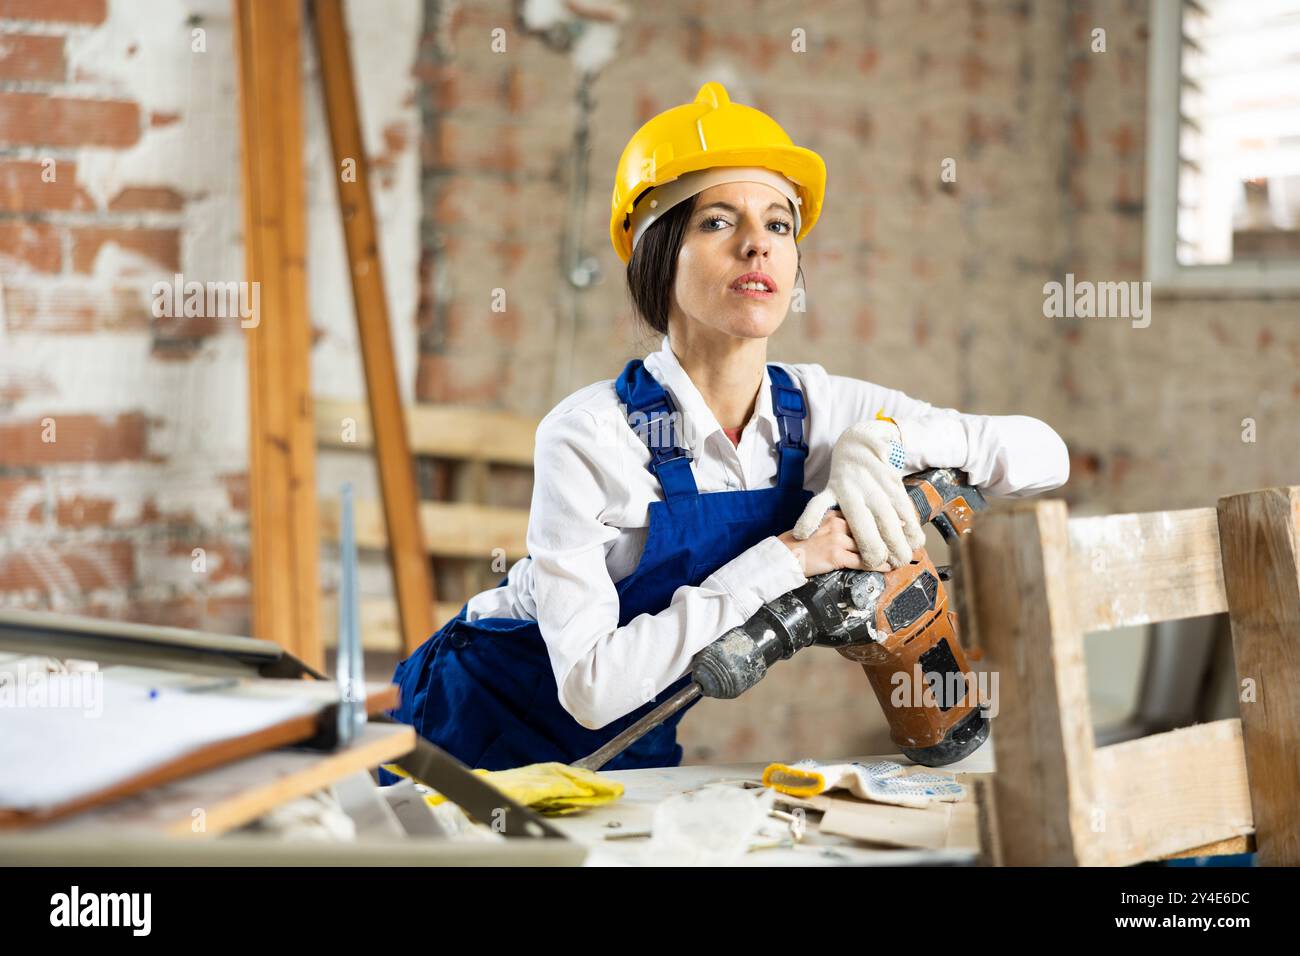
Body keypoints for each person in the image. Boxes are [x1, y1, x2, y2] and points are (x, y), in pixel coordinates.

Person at [384, 82, 1069, 774]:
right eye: (717, 222)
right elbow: (590, 688)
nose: (756, 247)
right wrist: (789, 561)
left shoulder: (820, 408)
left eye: (778, 224)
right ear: (659, 257)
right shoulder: (590, 437)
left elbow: (1046, 452)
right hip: (474, 722)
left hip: (641, 729)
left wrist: (884, 443)